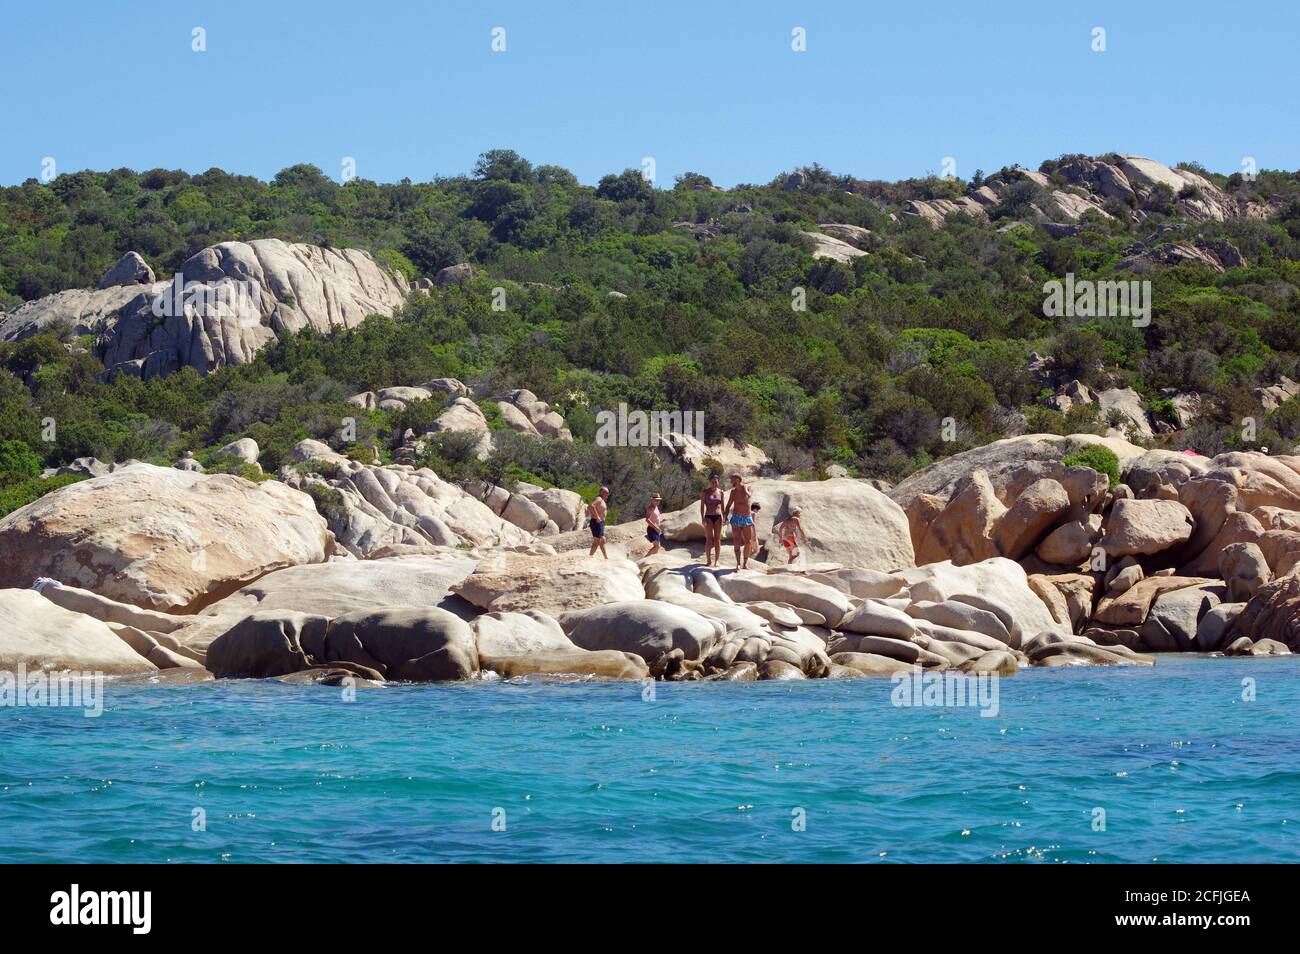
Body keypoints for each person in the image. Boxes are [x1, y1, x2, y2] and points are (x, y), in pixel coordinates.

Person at [724, 474, 754, 569]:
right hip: (736, 517)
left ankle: (745, 563)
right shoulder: (733, 492)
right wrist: (725, 516)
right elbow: (728, 505)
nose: (730, 482)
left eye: (732, 480)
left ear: (737, 480)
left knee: (748, 541)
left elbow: (749, 496)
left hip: (746, 518)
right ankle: (738, 563)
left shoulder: (748, 487)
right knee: (736, 541)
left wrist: (745, 490)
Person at [699, 474, 725, 566]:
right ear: (710, 482)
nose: (714, 483)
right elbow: (702, 506)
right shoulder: (705, 492)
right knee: (709, 539)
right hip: (708, 517)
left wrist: (725, 517)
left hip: (718, 517)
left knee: (717, 539)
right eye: (713, 481)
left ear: (718, 482)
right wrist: (702, 518)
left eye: (716, 481)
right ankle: (708, 560)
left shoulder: (721, 492)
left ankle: (717, 560)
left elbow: (722, 506)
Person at [587, 486, 610, 559]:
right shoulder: (599, 499)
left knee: (602, 540)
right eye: (604, 492)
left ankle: (606, 557)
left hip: (601, 523)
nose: (606, 494)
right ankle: (590, 556)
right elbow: (590, 506)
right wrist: (597, 517)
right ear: (600, 492)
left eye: (607, 492)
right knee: (597, 541)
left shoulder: (602, 500)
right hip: (596, 522)